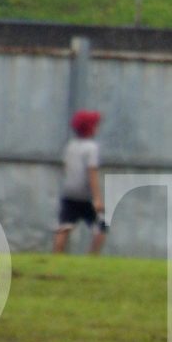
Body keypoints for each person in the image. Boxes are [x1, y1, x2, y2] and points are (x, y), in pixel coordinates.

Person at [54, 109, 108, 255]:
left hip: (69, 193)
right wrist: (97, 198)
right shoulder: (92, 148)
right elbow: (92, 172)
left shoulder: (70, 145)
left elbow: (66, 167)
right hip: (86, 196)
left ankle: (56, 257)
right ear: (90, 128)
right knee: (101, 229)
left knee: (64, 227)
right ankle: (91, 259)